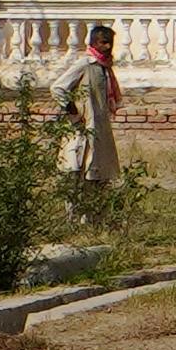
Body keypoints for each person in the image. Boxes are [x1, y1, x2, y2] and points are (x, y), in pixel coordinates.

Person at [53, 22, 124, 222]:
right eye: (103, 43)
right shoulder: (85, 64)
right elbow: (58, 88)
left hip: (100, 127)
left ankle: (93, 219)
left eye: (110, 43)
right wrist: (74, 113)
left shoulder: (105, 68)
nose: (107, 47)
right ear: (94, 42)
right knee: (75, 172)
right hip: (82, 128)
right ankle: (72, 219)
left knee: (98, 175)